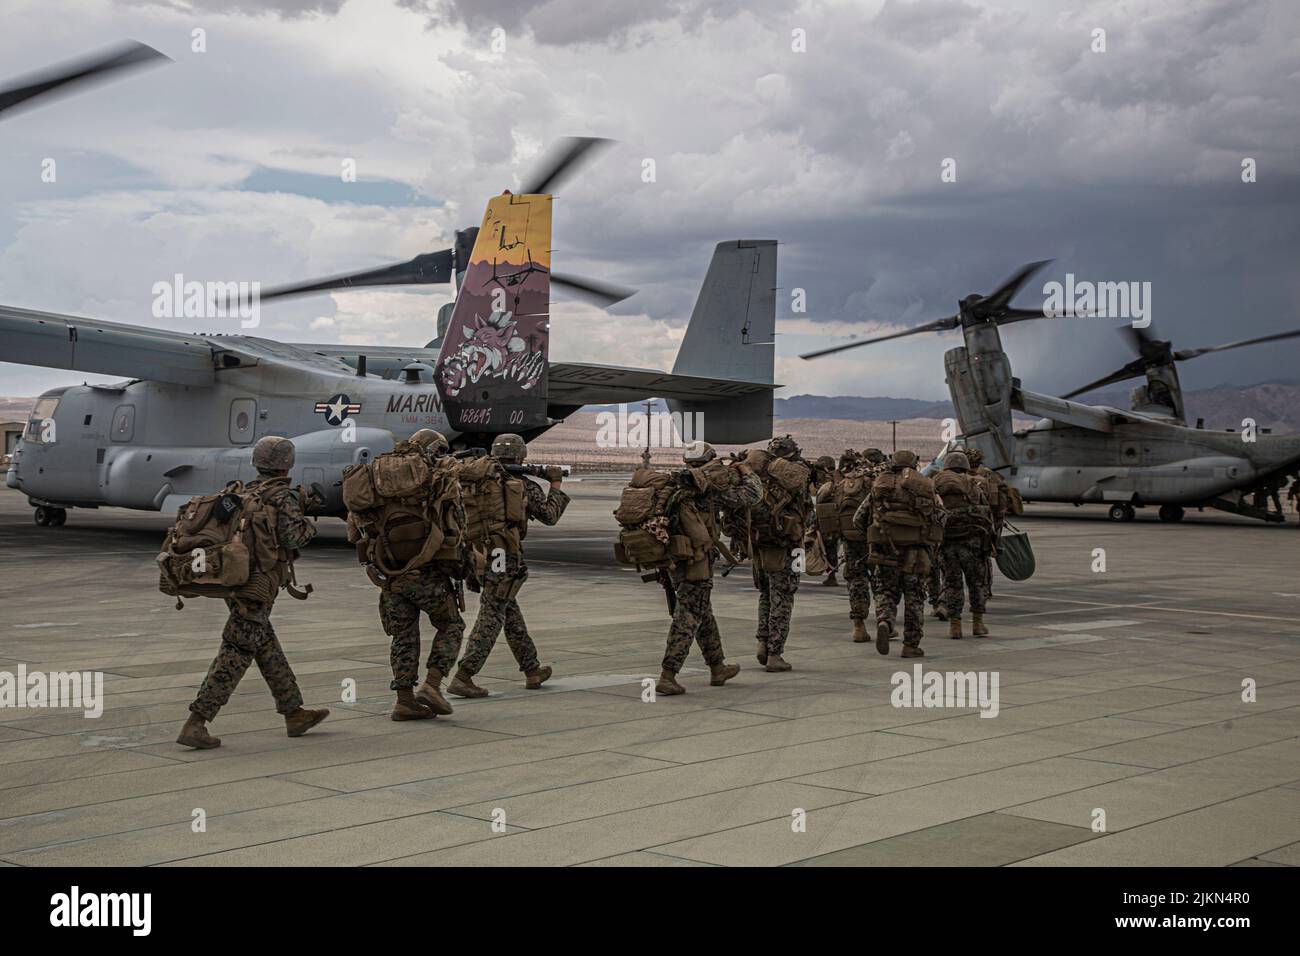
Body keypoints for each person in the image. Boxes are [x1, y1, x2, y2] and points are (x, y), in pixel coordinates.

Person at [176, 436, 329, 749]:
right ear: (288, 463)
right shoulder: (282, 495)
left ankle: (294, 712)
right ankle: (196, 722)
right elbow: (293, 537)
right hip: (257, 585)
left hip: (235, 579)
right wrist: (309, 522)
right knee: (237, 650)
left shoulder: (243, 489)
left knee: (264, 644)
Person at [350, 429, 464, 721]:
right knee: (451, 624)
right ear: (435, 451)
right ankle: (433, 685)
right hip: (426, 571)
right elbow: (455, 523)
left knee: (403, 636)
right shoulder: (433, 478)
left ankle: (404, 700)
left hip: (389, 573)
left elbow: (356, 528)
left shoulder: (376, 476)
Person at [449, 434, 568, 697]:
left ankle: (531, 668)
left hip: (475, 553)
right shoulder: (521, 485)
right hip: (504, 554)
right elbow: (549, 516)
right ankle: (464, 675)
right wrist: (556, 483)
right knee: (493, 612)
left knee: (507, 608)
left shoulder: (470, 480)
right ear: (520, 456)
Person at [656, 441, 763, 695]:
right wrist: (748, 473)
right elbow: (753, 497)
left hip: (676, 559)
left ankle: (717, 667)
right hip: (696, 561)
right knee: (688, 616)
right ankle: (668, 675)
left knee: (703, 612)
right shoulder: (709, 487)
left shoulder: (677, 485)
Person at [853, 449, 943, 658]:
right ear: (914, 463)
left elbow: (859, 519)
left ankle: (885, 620)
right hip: (916, 552)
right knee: (915, 597)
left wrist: (873, 535)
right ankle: (911, 645)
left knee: (885, 591)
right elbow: (940, 518)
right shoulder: (924, 486)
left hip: (884, 549)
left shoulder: (880, 485)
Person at [747, 435, 815, 672]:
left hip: (759, 545)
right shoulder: (793, 477)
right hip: (789, 546)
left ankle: (761, 642)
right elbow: (808, 511)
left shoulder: (758, 476)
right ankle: (775, 654)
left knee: (765, 594)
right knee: (784, 597)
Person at [933, 451, 992, 639]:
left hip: (946, 543)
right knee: (976, 583)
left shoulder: (937, 483)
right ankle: (978, 624)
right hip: (971, 543)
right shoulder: (975, 484)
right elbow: (986, 514)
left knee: (952, 584)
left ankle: (955, 626)